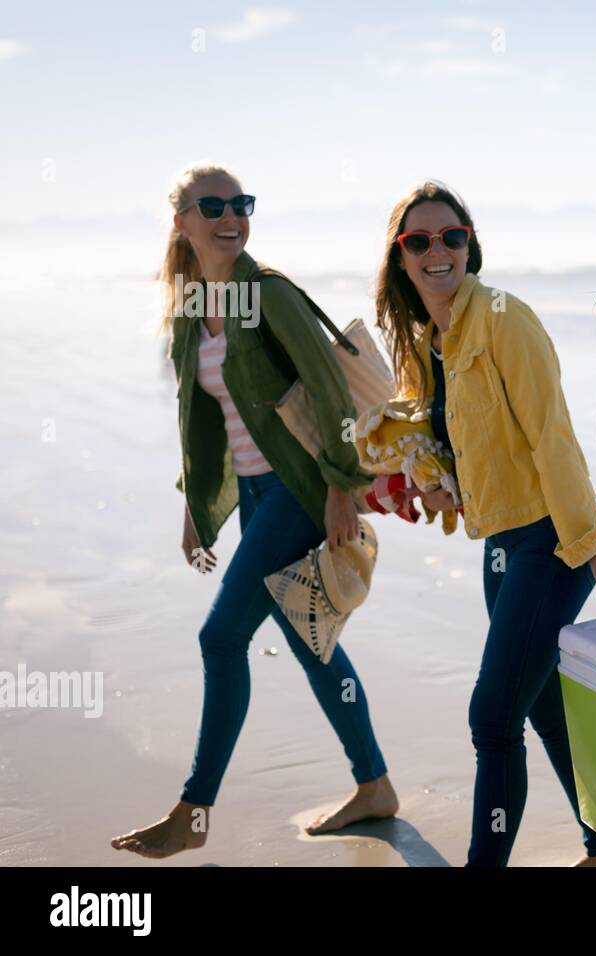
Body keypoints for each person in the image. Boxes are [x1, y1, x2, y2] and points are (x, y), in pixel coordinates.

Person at [112, 164, 395, 859]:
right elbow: (199, 418)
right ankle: (377, 787)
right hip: (255, 498)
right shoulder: (193, 305)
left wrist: (337, 487)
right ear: (180, 220)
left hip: (298, 491)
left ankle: (193, 812)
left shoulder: (264, 293)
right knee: (310, 640)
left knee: (219, 640)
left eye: (242, 203)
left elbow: (329, 390)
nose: (230, 215)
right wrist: (195, 507)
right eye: (212, 205)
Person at [373, 181, 596, 866]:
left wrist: (591, 545)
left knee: (493, 718)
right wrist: (435, 482)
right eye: (419, 240)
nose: (438, 250)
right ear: (400, 258)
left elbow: (553, 436)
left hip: (550, 540)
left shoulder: (503, 318)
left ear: (470, 245)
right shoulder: (429, 341)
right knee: (542, 708)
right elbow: (459, 440)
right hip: (501, 543)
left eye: (452, 236)